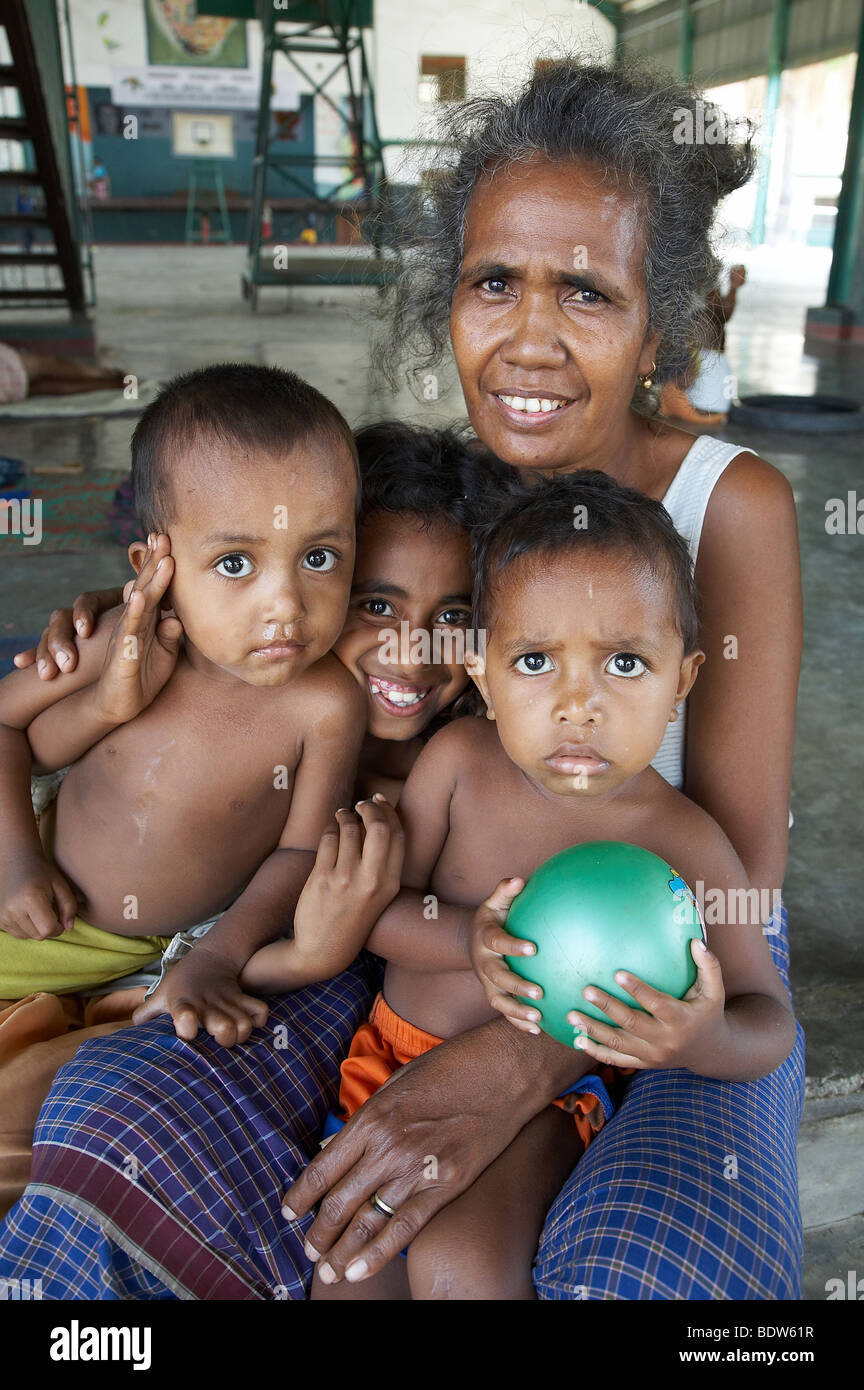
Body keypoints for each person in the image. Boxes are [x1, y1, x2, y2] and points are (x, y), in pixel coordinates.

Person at [0, 58, 804, 1300]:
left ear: (664, 316)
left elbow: (743, 884)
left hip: (672, 956)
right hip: (433, 934)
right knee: (124, 1113)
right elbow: (273, 635)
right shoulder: (421, 499)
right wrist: (132, 632)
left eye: (586, 291)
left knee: (647, 1271)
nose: (528, 339)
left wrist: (519, 1060)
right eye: (494, 281)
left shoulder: (725, 504)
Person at [302, 471, 795, 1299]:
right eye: (535, 660)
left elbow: (767, 1019)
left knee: (466, 1267)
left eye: (626, 662)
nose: (579, 705)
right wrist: (466, 937)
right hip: (389, 1068)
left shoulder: (684, 840)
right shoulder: (456, 767)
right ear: (483, 675)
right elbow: (378, 909)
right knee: (349, 1278)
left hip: (549, 1101)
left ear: (683, 678)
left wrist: (701, 1038)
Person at [0, 362, 399, 1044]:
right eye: (236, 563)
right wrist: (15, 863)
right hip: (25, 901)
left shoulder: (325, 706)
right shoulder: (125, 641)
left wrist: (213, 958)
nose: (286, 606)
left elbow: (300, 850)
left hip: (145, 959)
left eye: (320, 557)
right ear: (155, 567)